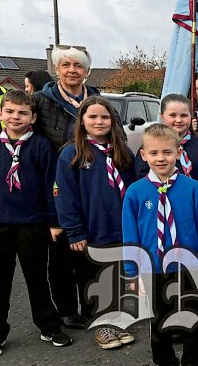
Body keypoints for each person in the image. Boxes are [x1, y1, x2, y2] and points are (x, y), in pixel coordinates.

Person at [0, 89, 72, 358]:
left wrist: (54, 222)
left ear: (33, 117)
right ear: (1, 113)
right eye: (11, 111)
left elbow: (50, 186)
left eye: (23, 113)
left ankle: (48, 325)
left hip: (33, 224)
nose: (16, 117)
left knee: (37, 279)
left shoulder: (41, 146)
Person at [123, 124, 198, 366]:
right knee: (159, 320)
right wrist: (133, 271)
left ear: (178, 152)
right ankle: (166, 365)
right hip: (152, 268)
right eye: (154, 153)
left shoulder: (193, 188)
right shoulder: (136, 192)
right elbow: (130, 234)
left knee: (191, 318)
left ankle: (193, 364)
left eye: (167, 151)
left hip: (187, 267)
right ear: (143, 155)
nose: (161, 158)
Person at [55, 96, 138, 350]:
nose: (99, 121)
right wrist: (74, 231)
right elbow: (65, 196)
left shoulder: (121, 150)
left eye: (105, 117)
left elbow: (133, 188)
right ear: (82, 121)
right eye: (93, 117)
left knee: (116, 275)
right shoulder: (72, 153)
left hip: (119, 227)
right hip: (92, 229)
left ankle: (114, 319)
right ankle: (100, 324)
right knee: (93, 278)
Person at [33, 45, 102, 330]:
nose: (72, 70)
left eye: (78, 66)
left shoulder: (96, 99)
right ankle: (66, 309)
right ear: (57, 69)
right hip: (55, 183)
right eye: (66, 65)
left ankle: (92, 305)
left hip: (92, 184)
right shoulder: (40, 100)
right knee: (61, 255)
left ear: (86, 72)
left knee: (90, 255)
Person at [135, 94, 198, 206]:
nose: (179, 120)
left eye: (184, 115)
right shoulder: (150, 148)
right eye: (172, 115)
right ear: (162, 116)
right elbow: (143, 179)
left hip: (196, 204)